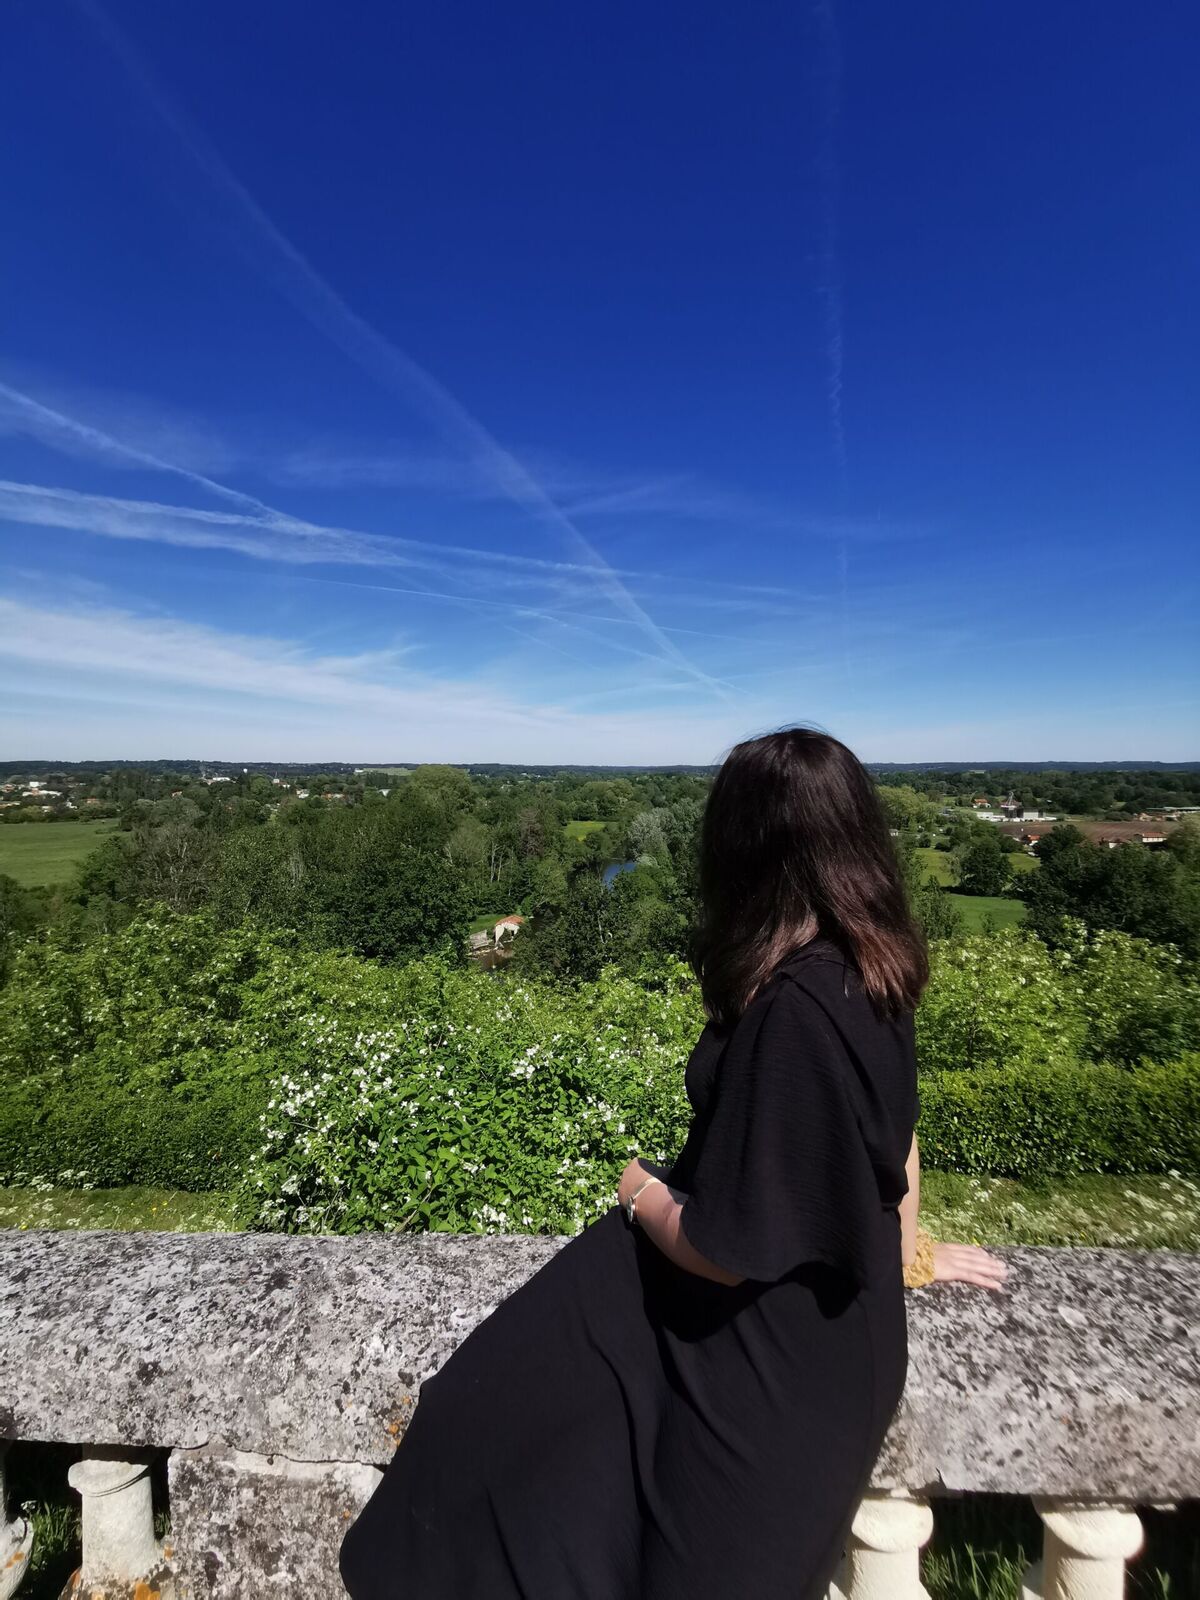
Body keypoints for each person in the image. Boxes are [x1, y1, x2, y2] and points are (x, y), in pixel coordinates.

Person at [340, 727, 1006, 1600]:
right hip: (807, 1324)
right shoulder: (869, 966)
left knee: (519, 1468)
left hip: (770, 1353)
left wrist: (639, 1190)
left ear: (743, 846)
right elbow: (898, 1136)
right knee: (499, 1427)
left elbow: (725, 1250)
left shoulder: (798, 1008)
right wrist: (901, 1250)